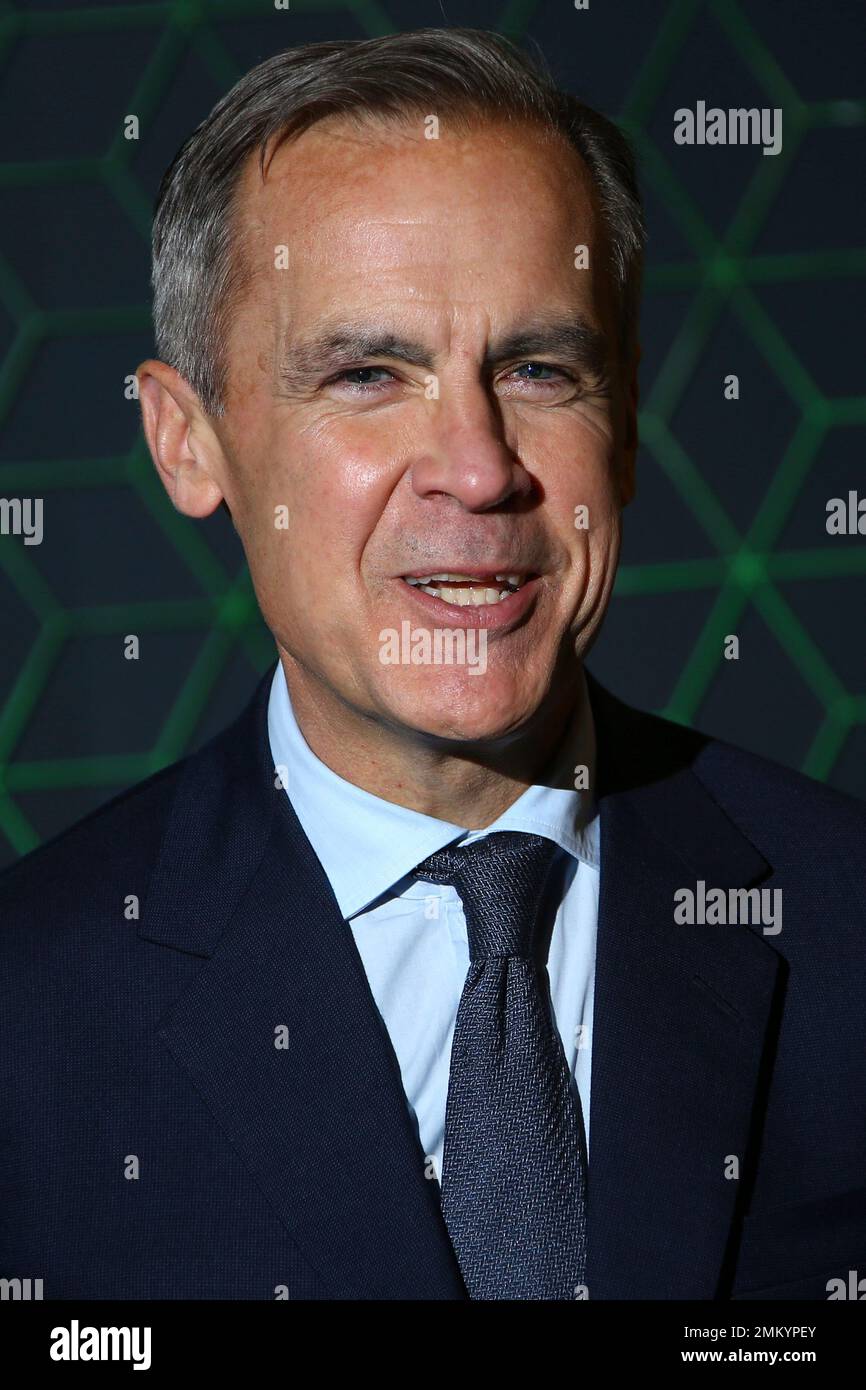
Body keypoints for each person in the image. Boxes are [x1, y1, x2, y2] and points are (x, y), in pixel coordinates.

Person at [1, 27, 864, 1302]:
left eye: (535, 369)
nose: (476, 466)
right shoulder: (30, 1022)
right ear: (188, 443)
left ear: (621, 427)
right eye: (365, 372)